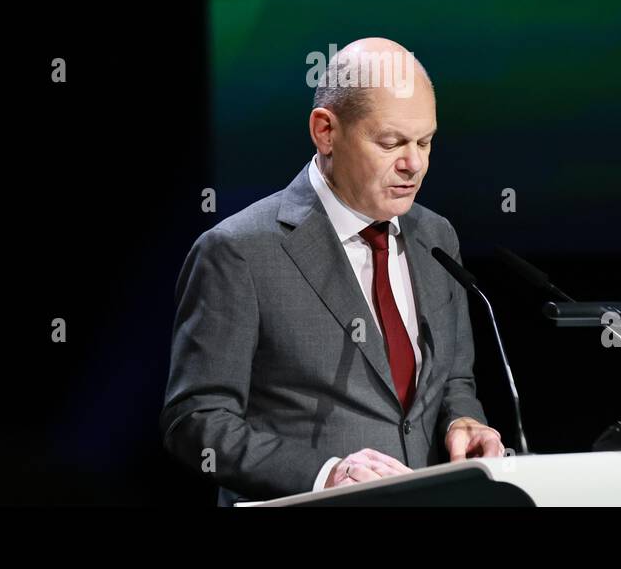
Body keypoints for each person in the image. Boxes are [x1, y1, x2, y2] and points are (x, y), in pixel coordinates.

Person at [161, 37, 505, 504]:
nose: (415, 164)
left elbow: (454, 382)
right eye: (392, 142)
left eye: (426, 141)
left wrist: (463, 422)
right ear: (326, 132)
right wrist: (325, 475)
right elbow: (196, 421)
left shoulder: (436, 237)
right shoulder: (238, 252)